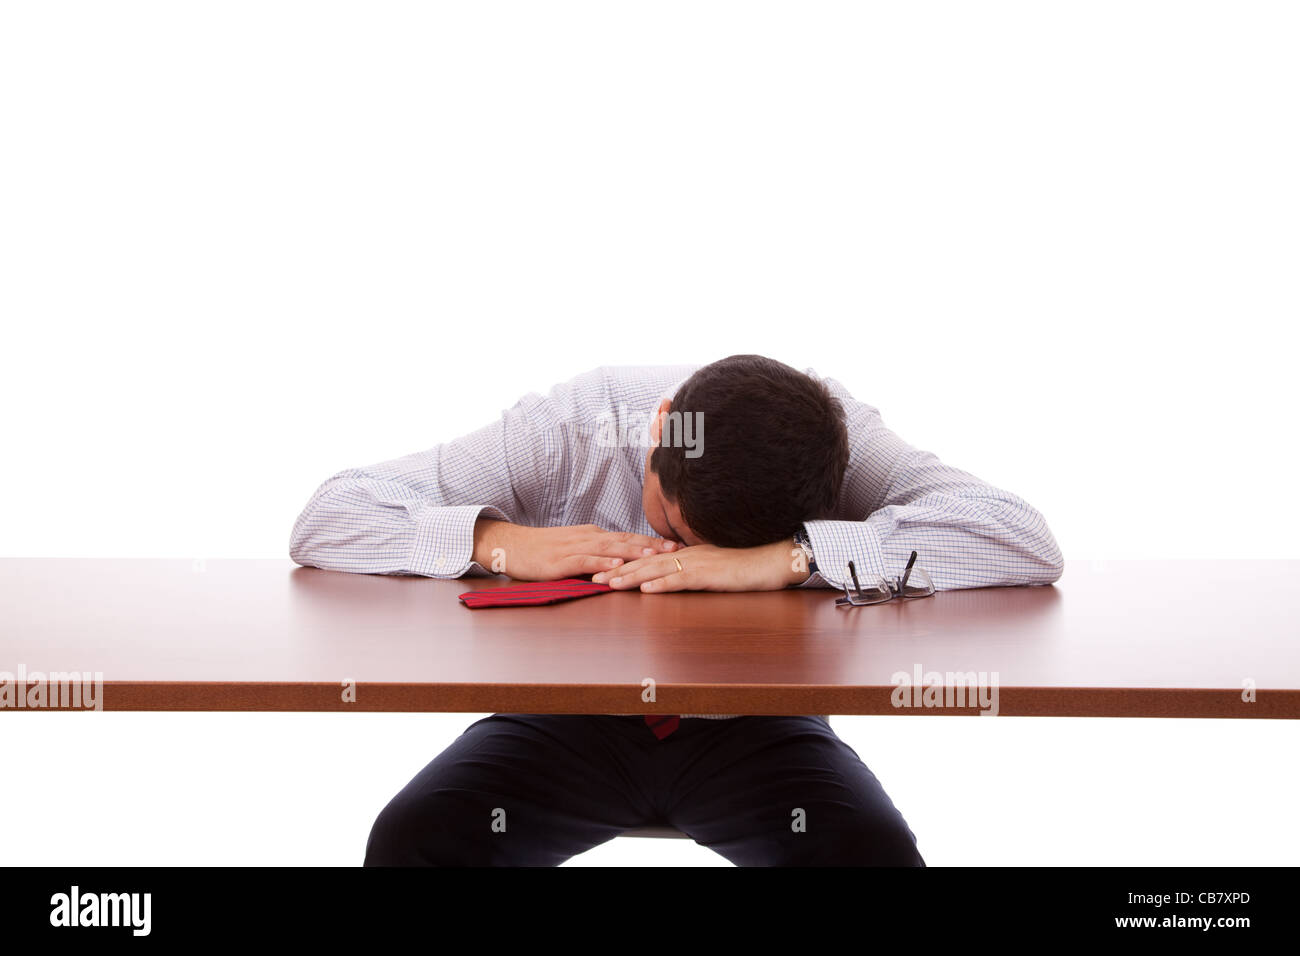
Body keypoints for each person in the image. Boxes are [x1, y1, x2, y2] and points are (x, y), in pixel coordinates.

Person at [289, 354, 1064, 865]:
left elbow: (1022, 539)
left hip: (753, 725)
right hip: (563, 718)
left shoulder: (842, 443)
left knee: (871, 854)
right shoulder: (574, 426)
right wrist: (501, 541)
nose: (676, 555)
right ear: (661, 426)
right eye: (667, 525)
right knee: (414, 842)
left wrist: (789, 560)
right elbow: (329, 516)